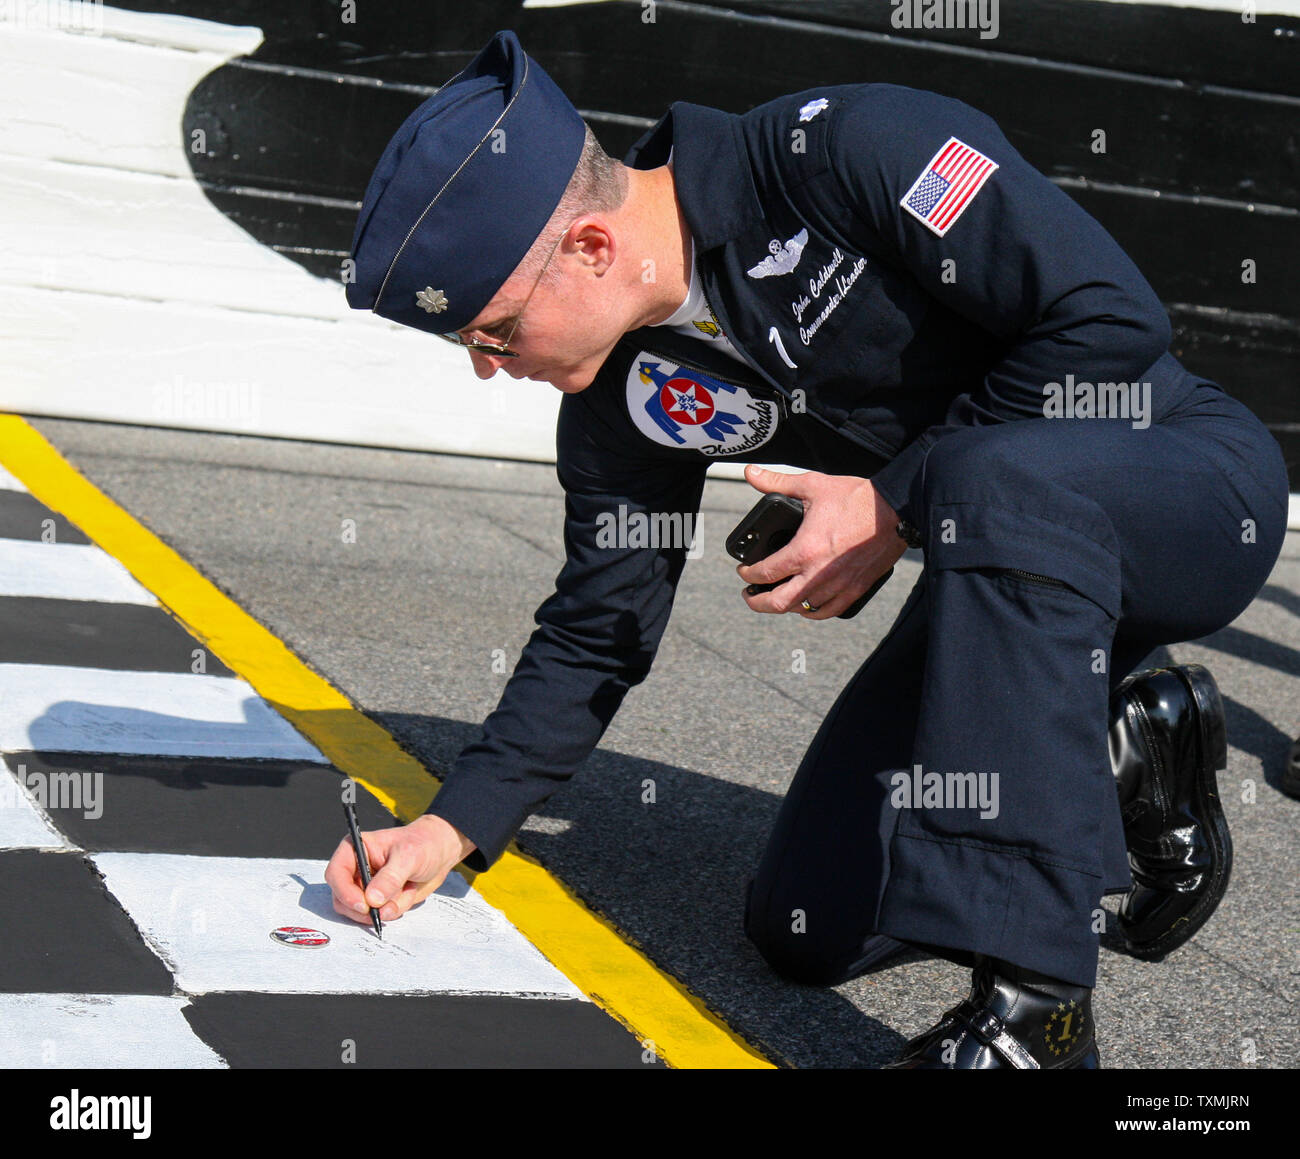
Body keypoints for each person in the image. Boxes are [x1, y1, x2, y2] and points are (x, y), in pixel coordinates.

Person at [326, 30, 1289, 1068]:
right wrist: (452, 826)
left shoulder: (848, 149)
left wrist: (894, 501)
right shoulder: (620, 396)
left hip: (1184, 483)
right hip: (1010, 589)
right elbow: (595, 629)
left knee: (980, 475)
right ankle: (1126, 743)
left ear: (591, 249)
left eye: (494, 332)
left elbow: (1110, 320)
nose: (487, 367)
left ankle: (1035, 1013)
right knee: (802, 929)